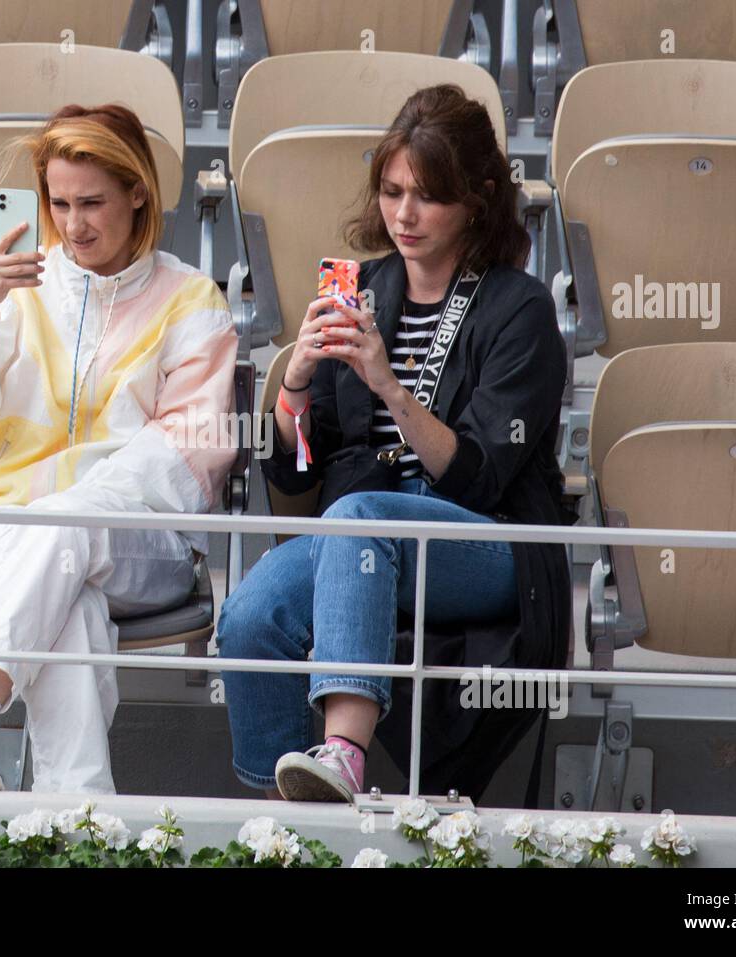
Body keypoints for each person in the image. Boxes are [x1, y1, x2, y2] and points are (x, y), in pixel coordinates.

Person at [216, 84, 571, 802]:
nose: (404, 215)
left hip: (488, 540)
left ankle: (342, 752)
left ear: (479, 198)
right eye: (391, 190)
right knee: (250, 616)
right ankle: (281, 813)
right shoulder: (362, 287)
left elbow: (479, 473)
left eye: (429, 196)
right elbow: (294, 467)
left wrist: (390, 387)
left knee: (357, 520)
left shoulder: (521, 308)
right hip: (361, 531)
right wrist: (296, 380)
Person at [0, 104, 237, 794]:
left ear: (138, 191)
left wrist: (70, 506)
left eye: (93, 203)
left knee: (65, 530)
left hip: (141, 546)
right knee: (71, 609)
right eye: (59, 202)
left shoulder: (194, 299)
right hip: (7, 536)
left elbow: (188, 460)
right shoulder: (20, 283)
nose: (74, 224)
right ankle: (81, 817)